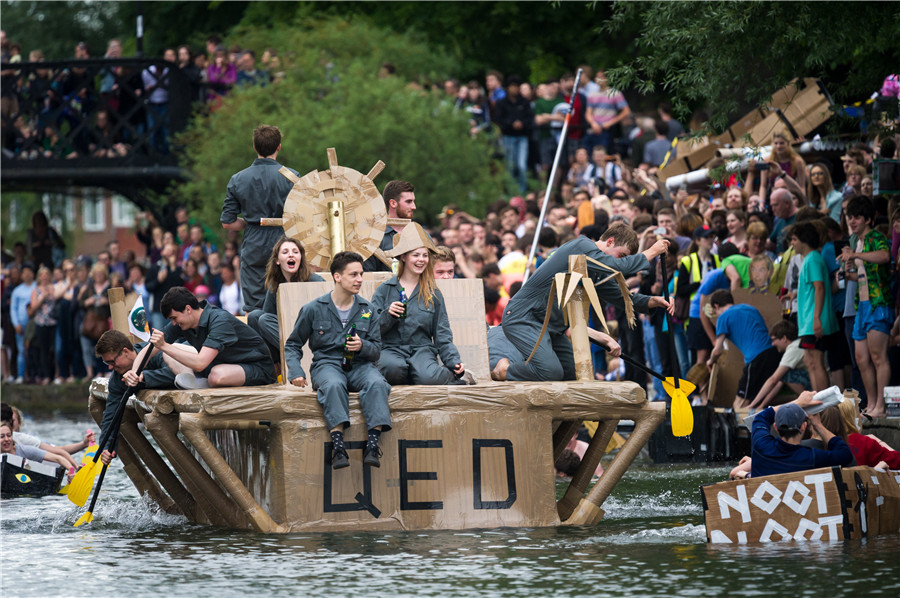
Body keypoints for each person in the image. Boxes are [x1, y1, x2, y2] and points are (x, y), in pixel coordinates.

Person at [492, 223, 671, 382]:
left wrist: (653, 301)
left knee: (573, 373)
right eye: (622, 255)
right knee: (550, 371)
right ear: (609, 242)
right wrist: (652, 252)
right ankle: (505, 371)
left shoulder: (596, 269)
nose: (620, 260)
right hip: (524, 317)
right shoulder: (582, 246)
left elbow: (621, 298)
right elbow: (617, 266)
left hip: (550, 326)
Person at [284, 251, 391, 469]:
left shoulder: (368, 310)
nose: (359, 279)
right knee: (333, 385)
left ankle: (372, 445)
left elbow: (376, 351)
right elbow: (293, 344)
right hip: (327, 364)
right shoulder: (313, 309)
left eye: (361, 274)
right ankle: (338, 447)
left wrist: (362, 346)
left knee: (378, 383)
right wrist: (296, 371)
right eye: (353, 274)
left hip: (360, 365)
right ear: (337, 276)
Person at [371, 223, 473, 386]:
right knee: (392, 369)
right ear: (403, 257)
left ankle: (449, 376)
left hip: (422, 350)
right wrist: (388, 315)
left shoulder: (433, 293)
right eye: (416, 255)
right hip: (390, 349)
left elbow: (442, 334)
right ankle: (413, 373)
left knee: (428, 377)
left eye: (425, 255)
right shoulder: (385, 290)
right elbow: (371, 329)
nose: (421, 260)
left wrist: (453, 360)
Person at [221, 124, 299, 311]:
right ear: (279, 146)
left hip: (253, 241)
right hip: (284, 240)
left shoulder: (238, 179)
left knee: (254, 306)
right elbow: (302, 217)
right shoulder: (292, 177)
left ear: (254, 147)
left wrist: (250, 222)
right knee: (286, 301)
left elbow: (228, 222)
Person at [151, 286, 275, 389]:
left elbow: (200, 363)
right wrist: (138, 369)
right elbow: (152, 346)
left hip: (255, 367)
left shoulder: (219, 320)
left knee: (216, 376)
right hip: (220, 363)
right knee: (168, 353)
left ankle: (203, 383)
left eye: (174, 318)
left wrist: (164, 346)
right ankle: (193, 384)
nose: (173, 323)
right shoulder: (184, 320)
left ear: (188, 309)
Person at [94, 330, 183, 465]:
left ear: (125, 351)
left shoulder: (155, 352)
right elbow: (111, 415)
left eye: (112, 361)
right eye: (107, 363)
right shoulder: (117, 379)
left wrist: (143, 377)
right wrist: (106, 447)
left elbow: (177, 374)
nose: (111, 367)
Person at [839, 196, 892, 417]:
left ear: (868, 219)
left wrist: (855, 254)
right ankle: (870, 405)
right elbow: (861, 276)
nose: (852, 221)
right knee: (861, 359)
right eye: (850, 217)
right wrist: (846, 272)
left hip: (878, 303)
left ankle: (881, 406)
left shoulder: (875, 237)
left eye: (857, 217)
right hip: (861, 305)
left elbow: (885, 256)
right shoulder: (857, 242)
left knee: (878, 357)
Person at [247, 236, 323, 364]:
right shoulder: (275, 284)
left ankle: (296, 355)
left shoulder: (314, 281)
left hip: (312, 334)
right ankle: (273, 365)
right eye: (285, 252)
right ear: (277, 260)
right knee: (255, 317)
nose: (291, 255)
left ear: (300, 258)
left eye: (295, 252)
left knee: (264, 320)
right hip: (287, 332)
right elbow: (267, 318)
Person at [750, 392, 853, 478]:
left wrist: (798, 402)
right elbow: (845, 454)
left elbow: (762, 416)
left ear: (775, 427)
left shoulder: (761, 444)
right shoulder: (811, 457)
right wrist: (818, 425)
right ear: (804, 426)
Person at [706, 290, 781, 408]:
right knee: (758, 401)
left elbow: (717, 350)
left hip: (756, 358)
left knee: (739, 404)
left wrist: (710, 361)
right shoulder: (750, 308)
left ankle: (737, 421)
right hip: (774, 352)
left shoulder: (723, 317)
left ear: (716, 306)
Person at [791, 221, 839, 391]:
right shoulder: (810, 260)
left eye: (794, 239)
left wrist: (817, 318)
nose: (792, 243)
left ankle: (823, 401)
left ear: (804, 241)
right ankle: (816, 399)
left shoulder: (812, 260)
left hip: (814, 320)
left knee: (816, 362)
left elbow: (820, 287)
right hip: (808, 322)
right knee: (809, 361)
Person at [748, 320, 810, 410]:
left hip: (815, 385)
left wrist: (752, 404)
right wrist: (761, 406)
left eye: (774, 340)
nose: (772, 344)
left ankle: (808, 400)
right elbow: (778, 382)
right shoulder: (796, 345)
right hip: (810, 379)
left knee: (784, 374)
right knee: (782, 376)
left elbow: (773, 380)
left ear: (784, 338)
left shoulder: (793, 348)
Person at [364, 180, 417, 272]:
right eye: (409, 202)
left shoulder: (420, 234)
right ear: (393, 203)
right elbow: (368, 275)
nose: (414, 207)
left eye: (413, 201)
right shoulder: (375, 238)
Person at [0, 421, 73, 470]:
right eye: (2, 436)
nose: (6, 439)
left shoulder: (24, 450)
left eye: (9, 435)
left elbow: (59, 458)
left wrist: (71, 471)